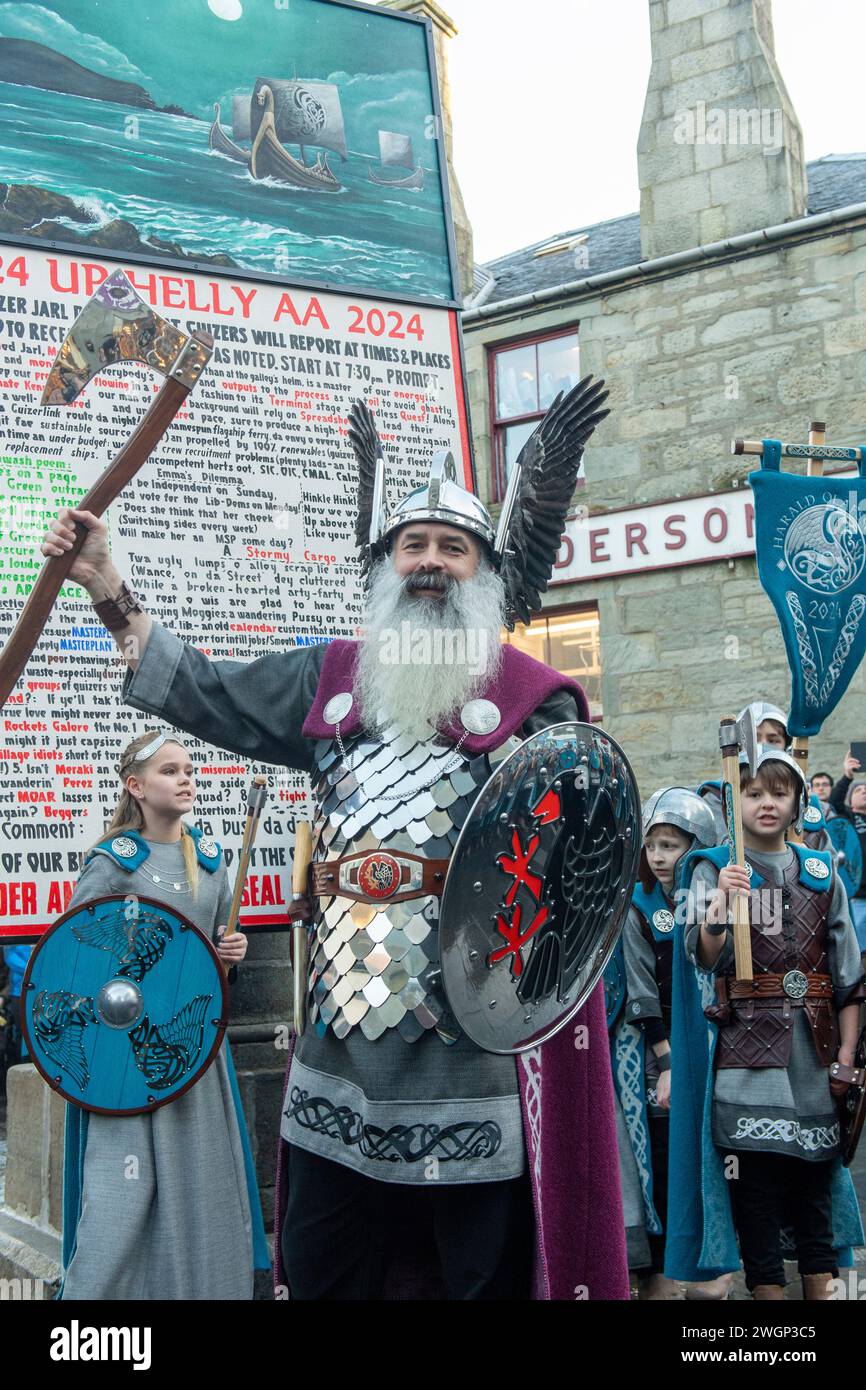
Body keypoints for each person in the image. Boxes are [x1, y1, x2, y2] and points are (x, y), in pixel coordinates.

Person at [41, 389, 627, 1302]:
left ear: (485, 571)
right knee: (327, 1274)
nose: (431, 562)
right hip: (339, 1053)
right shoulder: (331, 683)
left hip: (470, 1058)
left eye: (453, 547)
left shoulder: (532, 699)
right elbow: (204, 692)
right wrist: (108, 587)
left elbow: (574, 882)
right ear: (386, 565)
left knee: (476, 1280)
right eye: (414, 545)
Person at [59, 729, 269, 1300]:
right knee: (123, 1185)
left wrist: (234, 952)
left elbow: (221, 944)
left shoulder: (210, 860)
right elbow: (71, 954)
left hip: (196, 1049)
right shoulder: (112, 863)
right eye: (170, 771)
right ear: (136, 786)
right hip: (127, 1055)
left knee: (199, 1177)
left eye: (190, 770)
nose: (186, 779)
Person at [667, 746, 864, 1300]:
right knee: (754, 1193)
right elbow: (702, 957)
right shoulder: (713, 867)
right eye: (754, 793)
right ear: (736, 801)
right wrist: (718, 912)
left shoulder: (823, 874)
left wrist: (846, 1059)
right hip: (745, 1054)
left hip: (814, 1056)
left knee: (814, 1194)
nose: (767, 803)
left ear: (799, 800)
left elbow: (849, 980)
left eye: (779, 793)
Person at [608, 787, 729, 1301]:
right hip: (651, 1052)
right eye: (652, 845)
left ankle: (715, 1261)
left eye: (671, 845)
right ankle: (658, 1274)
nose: (659, 857)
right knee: (655, 1159)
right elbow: (640, 992)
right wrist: (667, 1062)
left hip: (708, 1041)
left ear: (695, 846)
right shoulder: (635, 905)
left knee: (711, 1151)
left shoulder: (710, 899)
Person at [829, 752, 866, 951]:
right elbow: (834, 803)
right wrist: (847, 777)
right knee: (859, 952)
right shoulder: (847, 819)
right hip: (859, 897)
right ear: (851, 799)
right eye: (859, 789)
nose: (864, 791)